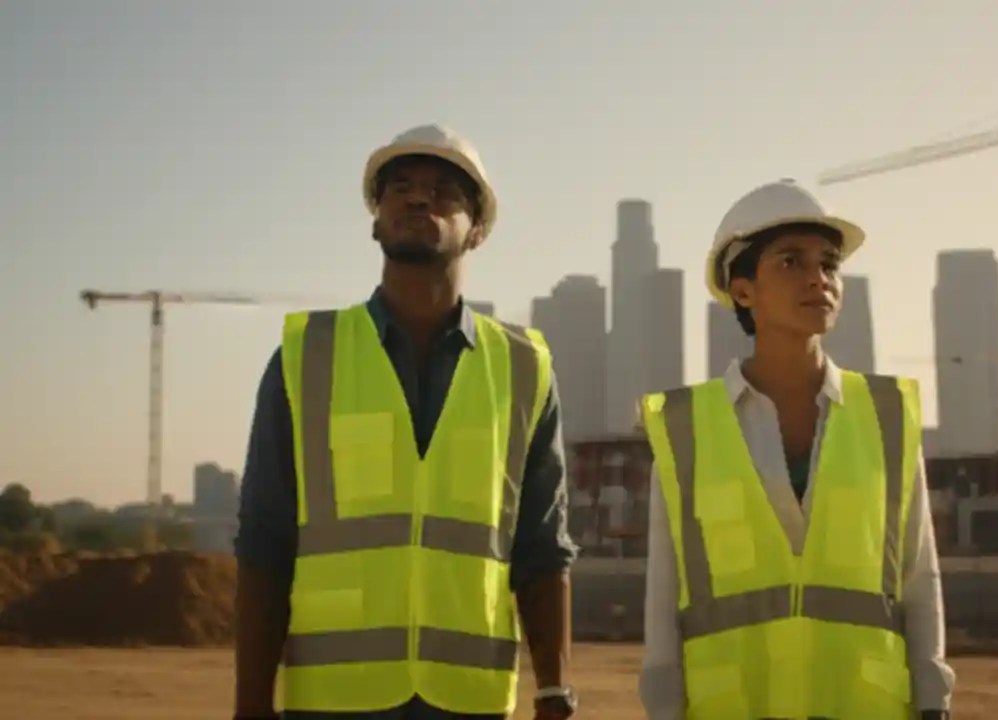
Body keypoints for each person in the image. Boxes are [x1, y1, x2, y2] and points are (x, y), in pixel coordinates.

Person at [233, 124, 579, 720]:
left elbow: (542, 550)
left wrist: (554, 690)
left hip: (468, 699)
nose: (420, 199)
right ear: (375, 219)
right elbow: (264, 543)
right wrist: (249, 706)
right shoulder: (306, 356)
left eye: (445, 190)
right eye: (401, 188)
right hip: (333, 701)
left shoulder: (524, 369)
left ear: (477, 231)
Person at [636, 179, 955, 719]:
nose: (818, 278)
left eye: (829, 264)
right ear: (742, 290)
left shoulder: (886, 416)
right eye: (790, 262)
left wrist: (934, 704)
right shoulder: (686, 427)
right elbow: (663, 598)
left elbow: (919, 579)